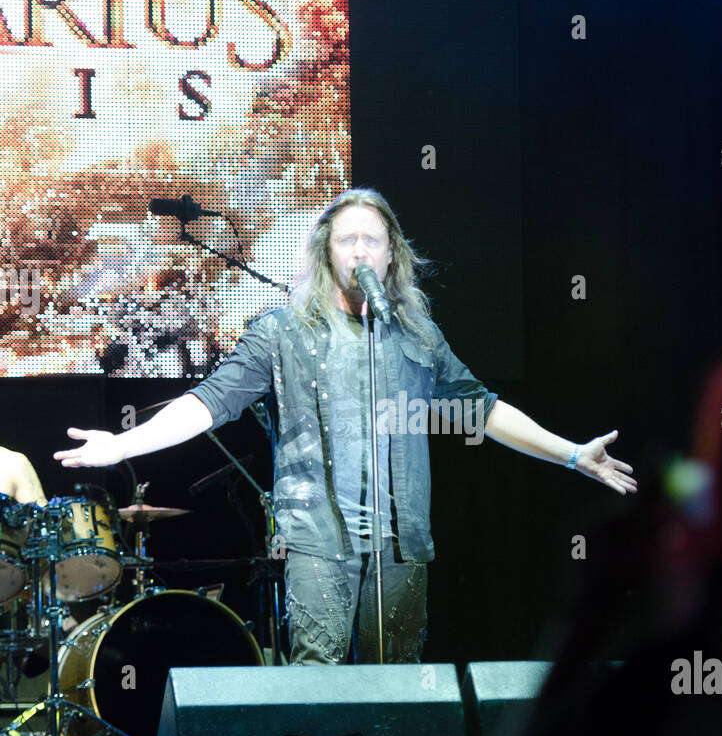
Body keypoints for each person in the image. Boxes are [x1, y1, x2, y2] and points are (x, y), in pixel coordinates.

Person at [54, 188, 637, 663]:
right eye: (347, 239)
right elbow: (210, 402)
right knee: (319, 683)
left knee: (397, 691)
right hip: (316, 540)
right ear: (327, 253)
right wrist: (123, 445)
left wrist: (571, 453)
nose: (360, 251)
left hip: (403, 545)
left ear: (391, 255)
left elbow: (480, 410)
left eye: (372, 240)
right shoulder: (282, 331)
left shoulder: (417, 336)